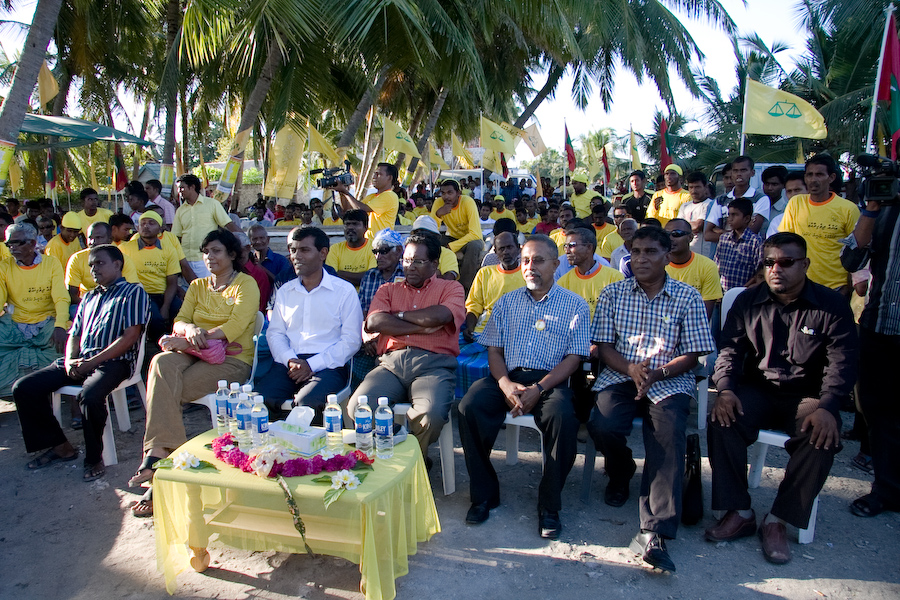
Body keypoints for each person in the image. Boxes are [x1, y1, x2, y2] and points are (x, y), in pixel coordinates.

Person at [706, 232, 857, 564]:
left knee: (823, 434)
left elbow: (842, 363)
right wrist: (727, 390)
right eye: (770, 262)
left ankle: (778, 520)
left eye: (786, 262)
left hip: (807, 396)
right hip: (756, 391)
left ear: (805, 264)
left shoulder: (831, 305)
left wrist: (830, 406)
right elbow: (729, 351)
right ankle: (740, 511)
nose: (777, 269)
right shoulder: (747, 301)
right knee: (721, 418)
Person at [588, 227, 715, 572]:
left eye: (650, 252)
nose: (641, 258)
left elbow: (693, 353)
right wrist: (631, 369)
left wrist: (656, 374)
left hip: (668, 379)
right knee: (603, 425)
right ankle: (621, 470)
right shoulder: (613, 293)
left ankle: (655, 530)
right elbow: (603, 347)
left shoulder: (687, 296)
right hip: (621, 373)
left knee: (667, 435)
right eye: (636, 252)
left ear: (666, 255)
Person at [458, 235, 589, 539]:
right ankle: (484, 495)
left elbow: (574, 358)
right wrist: (505, 384)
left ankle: (550, 505)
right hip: (509, 376)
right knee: (469, 407)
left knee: (563, 418)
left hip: (550, 380)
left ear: (556, 264)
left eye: (539, 260)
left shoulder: (575, 305)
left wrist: (539, 389)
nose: (530, 267)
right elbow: (494, 350)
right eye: (526, 260)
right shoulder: (506, 302)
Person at [128, 228, 259, 503]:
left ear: (232, 255)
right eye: (206, 251)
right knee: (161, 362)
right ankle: (163, 457)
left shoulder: (245, 284)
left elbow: (235, 326)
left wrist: (188, 342)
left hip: (233, 359)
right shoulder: (199, 286)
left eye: (216, 251)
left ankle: (158, 460)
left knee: (166, 388)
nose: (209, 256)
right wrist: (188, 330)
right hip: (194, 352)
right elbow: (180, 319)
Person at [13, 244, 149, 481]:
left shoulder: (133, 292)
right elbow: (74, 333)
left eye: (100, 263)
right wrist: (70, 360)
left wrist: (90, 363)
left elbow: (129, 337)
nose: (94, 269)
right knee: (24, 388)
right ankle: (60, 446)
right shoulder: (89, 297)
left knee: (90, 394)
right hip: (81, 360)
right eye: (91, 265)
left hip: (115, 362)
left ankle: (94, 457)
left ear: (117, 265)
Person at [348, 232, 465, 459]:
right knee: (359, 408)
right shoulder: (388, 290)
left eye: (418, 262)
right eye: (407, 260)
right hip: (390, 365)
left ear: (434, 264)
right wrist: (419, 325)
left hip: (434, 365)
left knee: (430, 415)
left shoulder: (450, 288)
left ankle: (415, 461)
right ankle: (397, 449)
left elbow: (439, 316)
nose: (410, 267)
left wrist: (397, 316)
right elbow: (374, 321)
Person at [257, 226, 362, 418]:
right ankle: (274, 449)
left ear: (323, 253)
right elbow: (275, 333)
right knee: (261, 399)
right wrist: (290, 360)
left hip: (329, 366)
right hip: (288, 363)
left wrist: (311, 365)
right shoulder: (285, 291)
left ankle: (315, 447)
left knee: (308, 404)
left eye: (304, 250)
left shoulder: (344, 292)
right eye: (293, 250)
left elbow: (351, 341)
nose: (296, 256)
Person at [841, 187, 900, 518]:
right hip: (878, 324)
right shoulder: (883, 211)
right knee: (879, 411)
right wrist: (873, 208)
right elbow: (851, 260)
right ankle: (887, 489)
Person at [0, 224, 70, 396]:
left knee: (65, 345)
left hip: (46, 323)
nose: (12, 248)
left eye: (17, 243)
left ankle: (48, 385)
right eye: (9, 244)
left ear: (32, 244)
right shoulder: (4, 266)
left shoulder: (51, 263)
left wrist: (60, 325)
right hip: (14, 324)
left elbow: (61, 297)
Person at [779, 155, 859, 294]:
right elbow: (785, 243)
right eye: (809, 175)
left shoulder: (848, 209)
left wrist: (848, 286)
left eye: (819, 174)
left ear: (831, 178)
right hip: (801, 286)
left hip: (836, 287)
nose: (813, 180)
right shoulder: (795, 203)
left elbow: (856, 250)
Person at [120, 211, 182, 344]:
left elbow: (172, 282)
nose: (146, 226)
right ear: (137, 228)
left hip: (164, 294)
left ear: (160, 229)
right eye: (142, 223)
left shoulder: (169, 249)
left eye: (151, 223)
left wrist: (165, 306)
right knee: (156, 319)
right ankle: (156, 348)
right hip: (141, 295)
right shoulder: (125, 249)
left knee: (182, 313)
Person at [172, 173, 240, 278]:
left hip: (205, 259)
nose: (179, 191)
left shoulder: (212, 204)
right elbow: (176, 237)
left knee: (208, 291)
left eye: (182, 188)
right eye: (178, 188)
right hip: (185, 260)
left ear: (192, 187)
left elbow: (228, 224)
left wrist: (245, 243)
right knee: (190, 292)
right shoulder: (180, 210)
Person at [463, 231, 524, 343]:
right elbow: (473, 306)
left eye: (510, 247)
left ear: (518, 249)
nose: (506, 252)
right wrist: (470, 328)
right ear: (495, 252)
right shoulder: (484, 273)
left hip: (519, 332)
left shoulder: (528, 274)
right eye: (502, 249)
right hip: (485, 331)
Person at [65, 222, 140, 309]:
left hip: (117, 302)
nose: (92, 242)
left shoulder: (122, 259)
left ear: (110, 239)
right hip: (86, 303)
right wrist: (93, 306)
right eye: (90, 238)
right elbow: (72, 294)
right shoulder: (76, 258)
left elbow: (132, 289)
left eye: (98, 237)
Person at [430, 179, 485, 292]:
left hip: (472, 239)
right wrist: (438, 215)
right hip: (453, 238)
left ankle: (464, 288)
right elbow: (431, 230)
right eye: (443, 193)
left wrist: (452, 246)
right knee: (433, 242)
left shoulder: (467, 202)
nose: (446, 197)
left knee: (474, 246)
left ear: (458, 193)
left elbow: (475, 234)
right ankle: (434, 281)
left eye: (450, 193)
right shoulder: (439, 203)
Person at [705, 157, 766, 253]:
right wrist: (737, 232)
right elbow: (707, 235)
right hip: (723, 255)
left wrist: (720, 231)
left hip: (748, 254)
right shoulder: (721, 200)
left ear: (752, 173)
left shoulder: (760, 198)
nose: (739, 174)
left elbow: (750, 232)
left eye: (743, 170)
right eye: (735, 171)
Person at [664, 219, 722, 318]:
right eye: (666, 234)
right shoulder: (657, 265)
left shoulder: (707, 266)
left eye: (676, 234)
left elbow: (704, 317)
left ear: (690, 237)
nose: (670, 238)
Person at [332, 163, 400, 240]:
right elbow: (349, 210)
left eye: (379, 174)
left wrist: (345, 192)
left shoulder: (389, 195)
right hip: (371, 242)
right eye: (374, 173)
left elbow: (360, 208)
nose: (374, 177)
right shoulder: (372, 196)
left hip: (382, 243)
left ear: (389, 178)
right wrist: (342, 192)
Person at [715, 198, 763, 292]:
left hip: (744, 292)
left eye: (735, 215)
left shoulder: (755, 241)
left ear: (746, 218)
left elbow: (759, 272)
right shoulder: (724, 239)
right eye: (729, 215)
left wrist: (744, 289)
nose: (730, 219)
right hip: (721, 292)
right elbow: (717, 265)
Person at [678, 172, 714, 258]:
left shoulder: (711, 205)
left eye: (697, 187)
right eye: (691, 187)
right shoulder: (685, 206)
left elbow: (698, 225)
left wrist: (684, 225)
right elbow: (677, 226)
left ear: (705, 187)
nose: (694, 191)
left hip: (705, 255)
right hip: (687, 254)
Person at [248, 223, 294, 288]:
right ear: (249, 242)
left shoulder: (281, 261)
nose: (258, 241)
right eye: (254, 239)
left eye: (262, 238)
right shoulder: (248, 261)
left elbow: (285, 285)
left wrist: (261, 268)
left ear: (268, 239)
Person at [235, 231, 271, 311]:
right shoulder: (226, 271)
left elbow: (260, 307)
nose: (234, 254)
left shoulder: (257, 273)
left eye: (237, 249)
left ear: (247, 248)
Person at [767, 171, 806, 238]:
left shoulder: (820, 216)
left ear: (809, 190)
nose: (793, 195)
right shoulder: (778, 221)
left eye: (797, 190)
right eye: (789, 191)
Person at [755, 166, 789, 237]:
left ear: (783, 185)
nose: (770, 188)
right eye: (767, 184)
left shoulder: (787, 209)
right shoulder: (756, 204)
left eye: (774, 184)